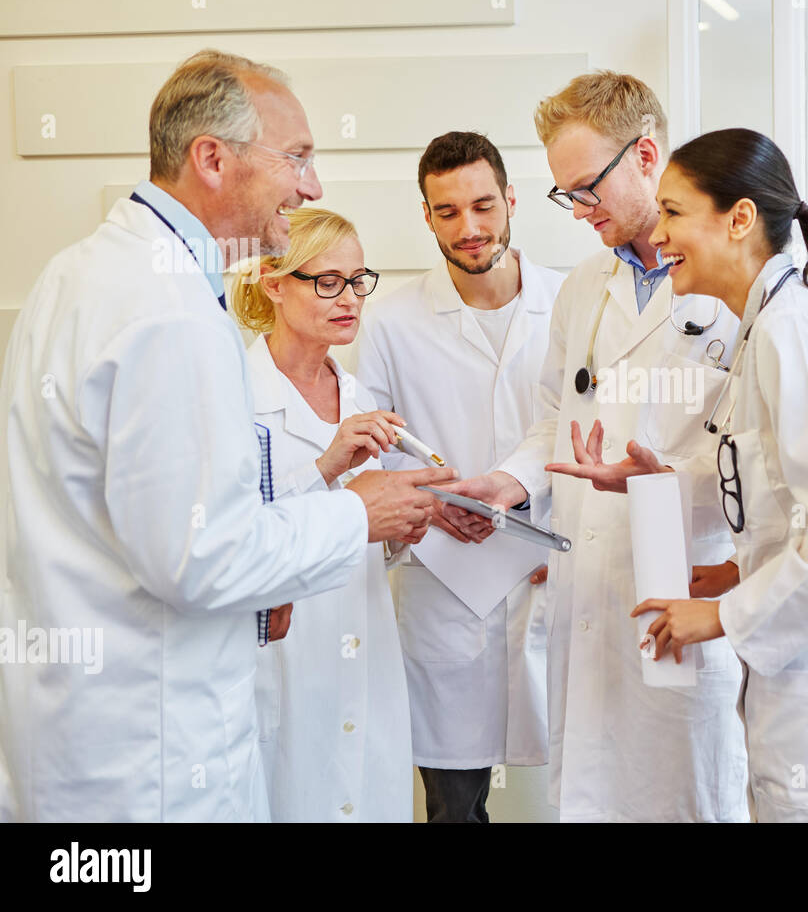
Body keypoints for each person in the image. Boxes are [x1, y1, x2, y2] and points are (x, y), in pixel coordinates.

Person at [0, 50, 444, 822]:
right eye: (297, 158)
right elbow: (198, 556)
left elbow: (145, 525)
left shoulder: (80, 274)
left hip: (88, 738)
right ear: (212, 158)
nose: (312, 185)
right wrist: (357, 512)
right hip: (153, 761)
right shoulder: (167, 309)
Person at [560, 127, 808, 822]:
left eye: (676, 212)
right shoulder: (767, 326)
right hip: (799, 699)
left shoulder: (794, 329)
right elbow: (780, 491)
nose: (662, 232)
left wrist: (719, 614)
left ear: (740, 220)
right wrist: (735, 567)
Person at [438, 72, 749, 822]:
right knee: (593, 796)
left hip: (680, 576)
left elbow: (756, 461)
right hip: (588, 592)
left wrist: (663, 479)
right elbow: (555, 414)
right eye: (564, 195)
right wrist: (511, 483)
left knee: (688, 793)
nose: (577, 211)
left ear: (647, 155)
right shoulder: (584, 285)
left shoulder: (730, 287)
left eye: (587, 189)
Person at [356, 132, 560, 822]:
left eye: (482, 206)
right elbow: (369, 452)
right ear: (426, 216)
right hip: (443, 583)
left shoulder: (574, 303)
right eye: (447, 212)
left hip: (553, 574)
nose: (469, 229)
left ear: (510, 200)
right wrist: (434, 505)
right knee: (452, 807)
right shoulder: (387, 322)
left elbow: (593, 430)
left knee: (590, 784)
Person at [231, 207, 424, 822]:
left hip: (363, 649)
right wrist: (325, 466)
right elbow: (227, 538)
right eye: (328, 282)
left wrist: (409, 522)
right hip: (281, 656)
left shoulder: (360, 394)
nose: (350, 299)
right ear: (274, 282)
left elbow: (364, 531)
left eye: (358, 279)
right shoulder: (235, 393)